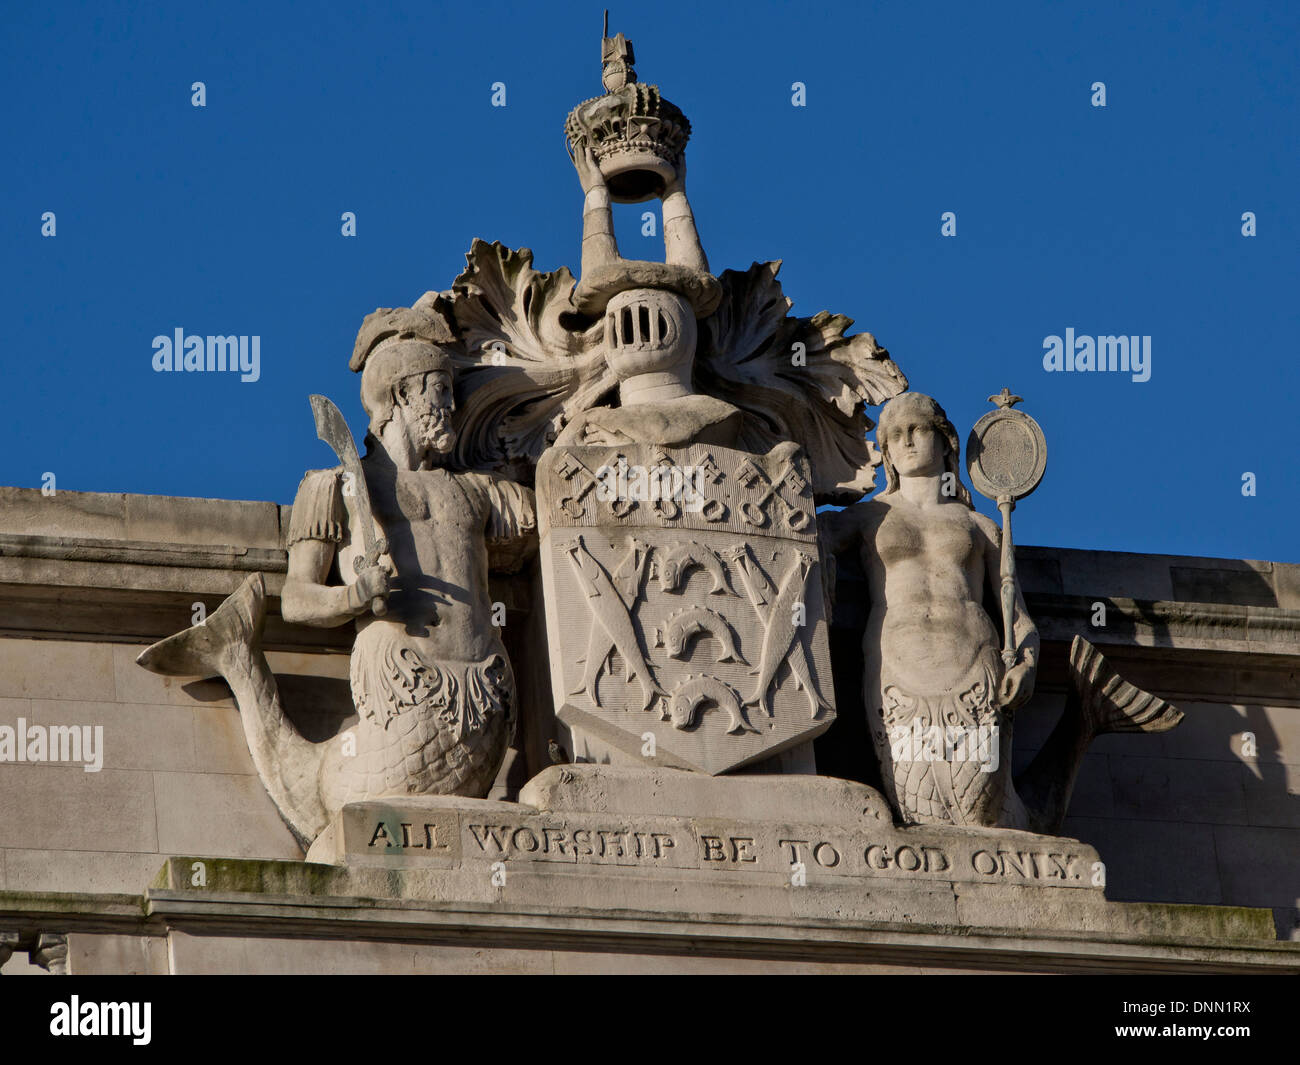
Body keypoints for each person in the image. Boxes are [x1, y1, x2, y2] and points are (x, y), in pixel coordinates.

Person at [822, 392, 1037, 827]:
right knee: (920, 813)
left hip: (974, 668)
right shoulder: (869, 517)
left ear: (945, 442)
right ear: (884, 451)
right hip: (899, 671)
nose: (907, 442)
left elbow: (1018, 618)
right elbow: (801, 534)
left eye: (917, 429)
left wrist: (1028, 663)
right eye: (895, 435)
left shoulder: (980, 525)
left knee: (979, 811)